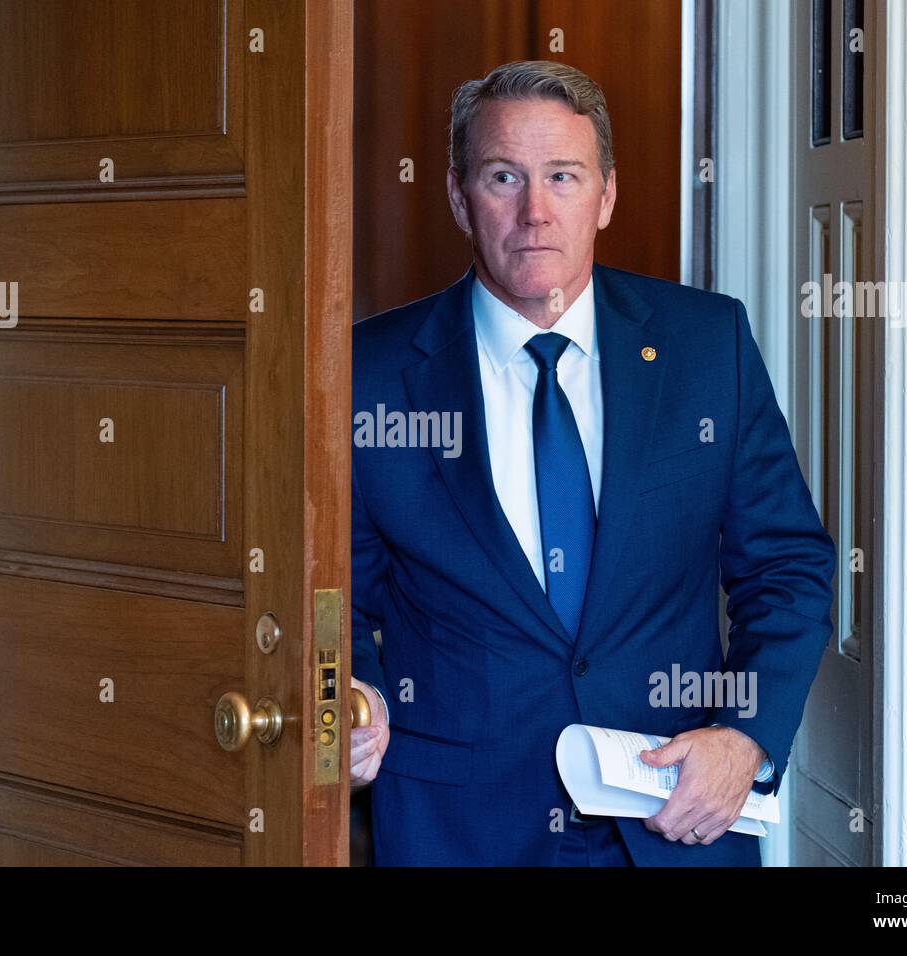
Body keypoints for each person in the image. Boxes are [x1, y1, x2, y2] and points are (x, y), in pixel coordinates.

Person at [350, 60, 836, 866]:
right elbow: (335, 599)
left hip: (675, 816)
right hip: (460, 830)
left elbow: (787, 567)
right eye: (503, 176)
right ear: (457, 195)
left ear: (605, 194)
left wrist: (744, 737)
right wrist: (356, 695)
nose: (535, 212)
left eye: (563, 177)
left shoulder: (705, 346)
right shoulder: (369, 371)